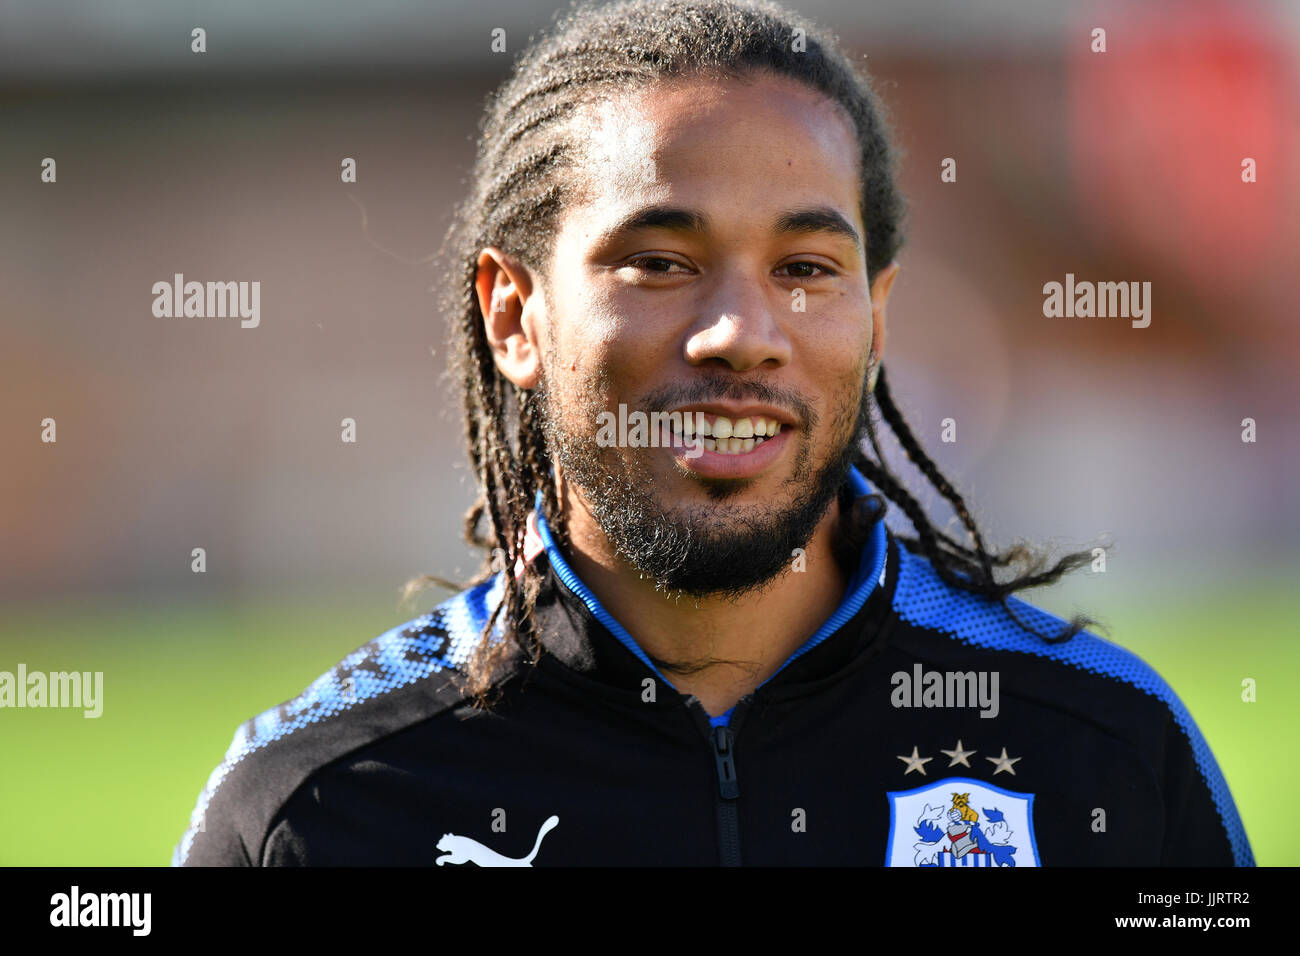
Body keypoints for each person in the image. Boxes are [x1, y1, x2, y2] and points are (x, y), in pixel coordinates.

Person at [173, 0, 1252, 867]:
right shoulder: (318, 801)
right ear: (514, 315)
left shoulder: (1105, 750)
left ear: (876, 317)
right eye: (659, 262)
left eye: (805, 269)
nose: (742, 333)